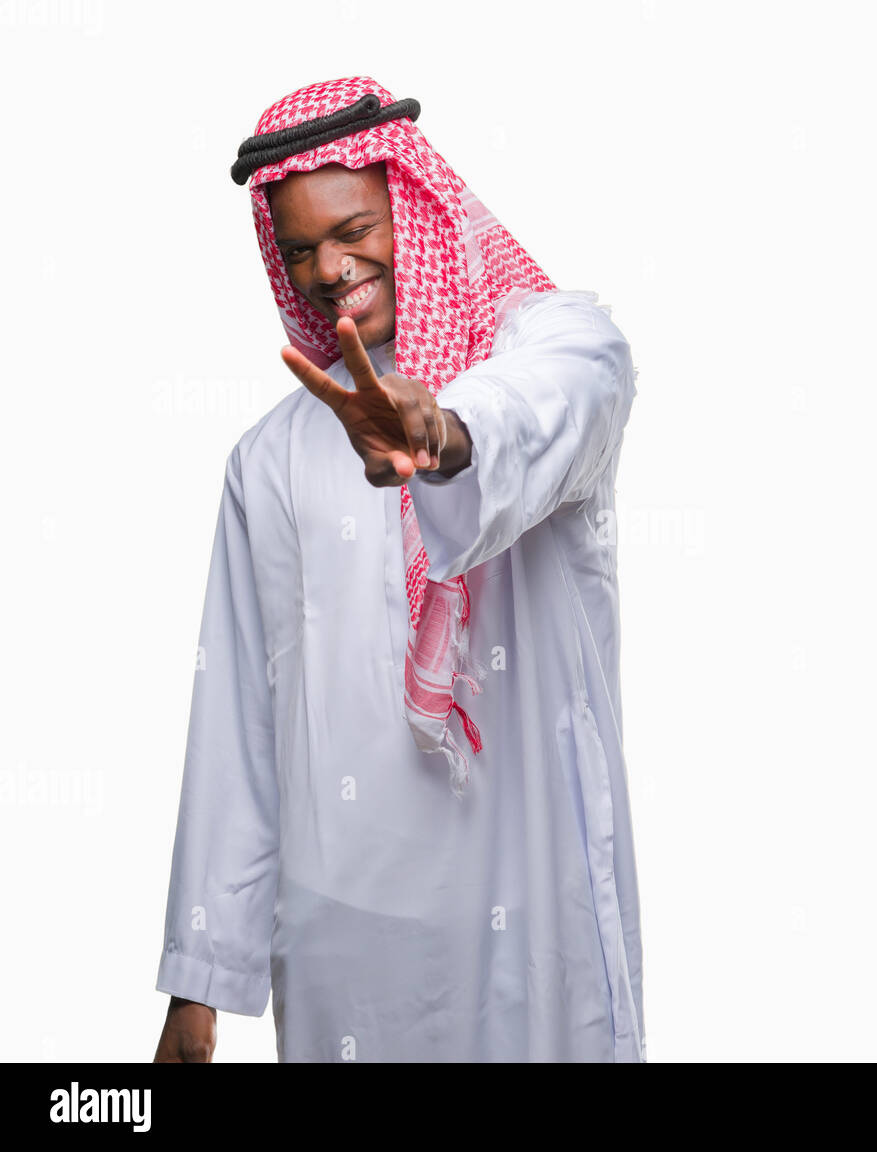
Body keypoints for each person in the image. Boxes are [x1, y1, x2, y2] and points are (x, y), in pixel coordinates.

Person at [152, 76, 645, 1062]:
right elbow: (241, 721)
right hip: (345, 939)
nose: (329, 268)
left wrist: (444, 432)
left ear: (410, 208)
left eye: (354, 229)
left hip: (527, 902)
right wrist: (199, 988)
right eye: (300, 251)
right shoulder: (269, 459)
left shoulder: (555, 351)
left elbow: (546, 414)